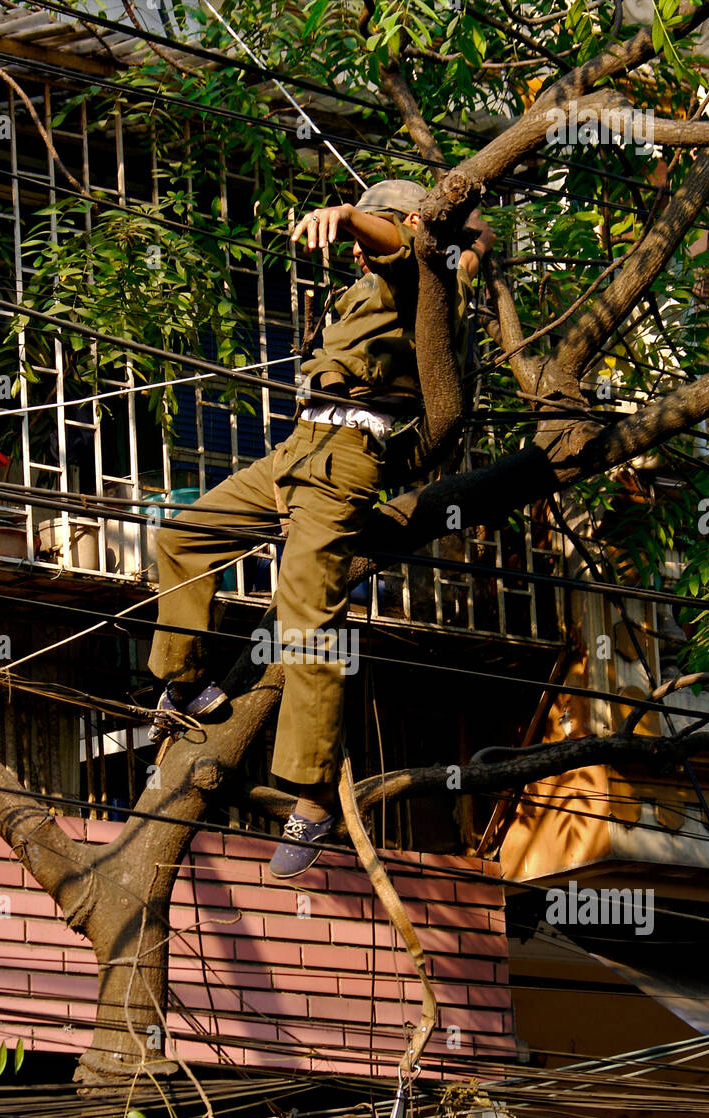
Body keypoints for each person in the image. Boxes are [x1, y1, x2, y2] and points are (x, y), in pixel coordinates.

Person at [147, 179, 494, 878]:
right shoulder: (366, 292)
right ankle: (182, 681)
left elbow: (404, 245)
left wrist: (347, 215)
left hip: (343, 459)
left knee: (310, 624)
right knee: (182, 535)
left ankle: (311, 799)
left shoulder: (417, 282)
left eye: (374, 227)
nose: (361, 244)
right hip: (298, 446)